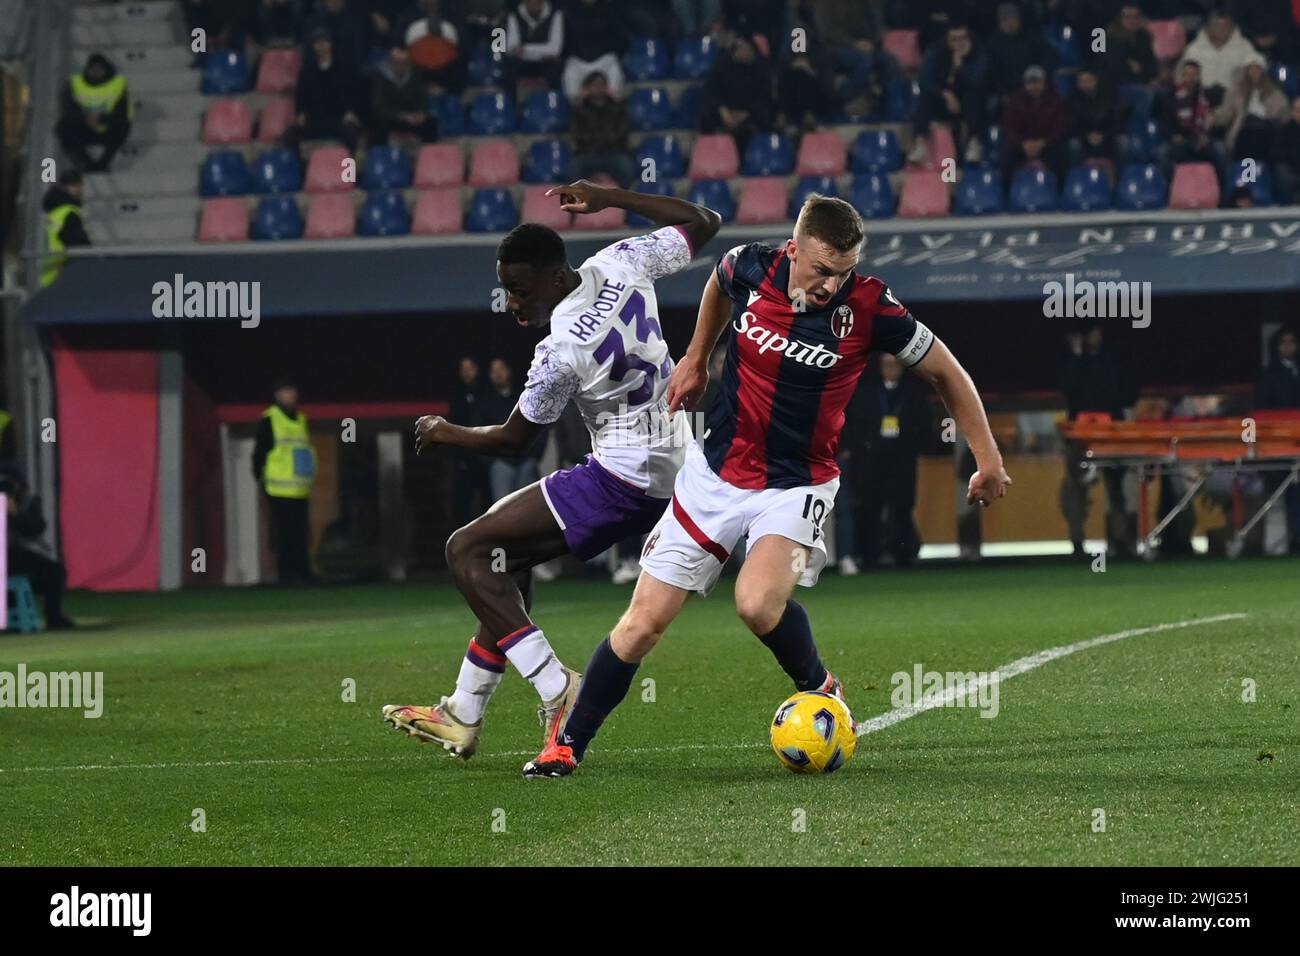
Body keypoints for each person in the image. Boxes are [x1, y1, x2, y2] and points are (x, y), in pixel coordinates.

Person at [524, 195, 1012, 777]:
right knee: (641, 624)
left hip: (796, 483)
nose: (832, 283)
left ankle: (819, 684)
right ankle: (567, 744)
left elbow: (946, 372)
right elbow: (717, 285)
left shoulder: (873, 307)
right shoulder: (751, 265)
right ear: (794, 248)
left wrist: (987, 459)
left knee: (755, 604)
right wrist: (696, 358)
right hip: (714, 474)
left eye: (844, 270)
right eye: (821, 269)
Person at [381, 181, 721, 759]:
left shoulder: (559, 346)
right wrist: (611, 196)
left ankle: (555, 687)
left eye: (518, 289)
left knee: (465, 549)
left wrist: (447, 432)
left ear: (553, 277)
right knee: (501, 560)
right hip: (674, 462)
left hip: (621, 477)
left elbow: (515, 442)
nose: (512, 302)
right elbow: (704, 221)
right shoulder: (621, 260)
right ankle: (464, 710)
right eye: (505, 291)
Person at [1059, 324, 1137, 558]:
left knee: (1116, 489)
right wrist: (1076, 356)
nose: (1091, 337)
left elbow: (1130, 393)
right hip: (1079, 436)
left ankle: (1120, 541)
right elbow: (1066, 387)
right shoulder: (1073, 360)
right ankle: (1077, 541)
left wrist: (1109, 416)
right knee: (1076, 488)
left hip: (1111, 435)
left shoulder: (1114, 360)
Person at [850, 352, 930, 569]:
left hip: (902, 460)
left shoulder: (913, 394)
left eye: (894, 365)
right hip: (872, 461)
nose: (890, 369)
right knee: (870, 508)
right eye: (886, 364)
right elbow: (855, 425)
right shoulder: (866, 393)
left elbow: (924, 426)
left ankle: (904, 556)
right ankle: (871, 557)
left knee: (902, 507)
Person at [252, 378, 319, 583]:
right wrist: (260, 479)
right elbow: (259, 454)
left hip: (299, 488)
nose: (289, 395)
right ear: (277, 395)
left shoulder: (300, 419)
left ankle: (302, 570)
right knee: (284, 533)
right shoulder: (270, 420)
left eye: (291, 390)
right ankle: (287, 573)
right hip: (278, 488)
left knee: (300, 532)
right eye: (284, 391)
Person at [2, 464, 74, 629]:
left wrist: (15, 514)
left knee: (55, 572)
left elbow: (36, 528)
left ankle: (54, 617)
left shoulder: (28, 499)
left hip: (13, 556)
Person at [911, 21, 991, 164]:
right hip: (943, 100)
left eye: (962, 38)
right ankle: (920, 142)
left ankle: (974, 142)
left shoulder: (979, 52)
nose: (958, 43)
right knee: (925, 97)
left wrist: (961, 66)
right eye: (954, 39)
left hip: (967, 101)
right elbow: (924, 78)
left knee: (976, 97)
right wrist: (945, 94)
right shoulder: (936, 51)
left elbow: (978, 81)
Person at [1255, 326, 1300, 552]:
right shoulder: (1270, 375)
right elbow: (1262, 411)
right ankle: (1275, 548)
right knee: (1275, 498)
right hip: (1276, 446)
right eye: (1284, 342)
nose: (1289, 346)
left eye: (1293, 341)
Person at [284, 28, 364, 153]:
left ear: (330, 44)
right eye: (317, 43)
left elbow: (356, 93)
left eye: (324, 42)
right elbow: (301, 96)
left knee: (351, 133)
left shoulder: (345, 68)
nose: (321, 46)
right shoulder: (306, 71)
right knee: (290, 134)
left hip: (340, 118)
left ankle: (349, 170)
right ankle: (299, 169)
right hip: (315, 119)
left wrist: (352, 112)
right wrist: (301, 113)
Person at [478, 358, 542, 502]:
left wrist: (535, 454)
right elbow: (478, 430)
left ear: (509, 371)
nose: (498, 374)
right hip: (501, 463)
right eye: (494, 371)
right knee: (501, 507)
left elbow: (539, 422)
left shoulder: (524, 396)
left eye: (501, 369)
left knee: (529, 509)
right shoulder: (485, 402)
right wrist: (491, 460)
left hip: (526, 461)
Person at [56, 53, 133, 172]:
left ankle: (103, 164)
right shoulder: (75, 83)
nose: (96, 72)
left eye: (100, 69)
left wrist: (101, 118)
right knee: (62, 127)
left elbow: (122, 112)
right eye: (93, 69)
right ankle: (87, 164)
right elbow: (68, 108)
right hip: (83, 127)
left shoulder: (118, 84)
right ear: (87, 69)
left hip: (108, 127)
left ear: (106, 70)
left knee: (123, 125)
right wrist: (85, 118)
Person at [698, 34, 774, 154]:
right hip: (725, 113)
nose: (743, 52)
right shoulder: (722, 67)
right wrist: (723, 111)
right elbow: (711, 91)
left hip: (750, 114)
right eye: (739, 48)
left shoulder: (761, 69)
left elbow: (764, 96)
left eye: (746, 49)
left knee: (764, 117)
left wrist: (746, 113)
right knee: (706, 115)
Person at [1212, 57, 1288, 162]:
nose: (1254, 72)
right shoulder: (1236, 91)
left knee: (1260, 131)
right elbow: (1226, 112)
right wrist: (1213, 117)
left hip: (1266, 128)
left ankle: (1257, 170)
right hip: (1244, 128)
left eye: (1257, 69)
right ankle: (1248, 171)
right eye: (1251, 69)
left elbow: (1283, 113)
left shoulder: (1274, 92)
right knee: (1249, 131)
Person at [1178, 11, 1261, 108]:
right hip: (1199, 103)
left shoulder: (1245, 47)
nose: (1221, 30)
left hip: (1233, 104)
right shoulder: (1194, 49)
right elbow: (1182, 78)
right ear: (1209, 26)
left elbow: (1256, 69)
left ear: (1232, 26)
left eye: (1225, 26)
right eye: (1217, 25)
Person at [1001, 64, 1067, 183]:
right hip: (1022, 145)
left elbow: (1060, 127)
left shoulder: (1056, 100)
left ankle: (1060, 193)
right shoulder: (1014, 101)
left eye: (1037, 82)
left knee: (1060, 157)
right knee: (1006, 157)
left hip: (1047, 145)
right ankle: (1006, 193)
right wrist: (1022, 143)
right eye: (1030, 82)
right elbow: (1008, 128)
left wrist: (1043, 142)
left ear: (1044, 83)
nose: (1034, 86)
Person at [568, 72, 635, 186]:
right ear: (588, 88)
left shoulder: (618, 108)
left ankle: (621, 198)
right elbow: (578, 135)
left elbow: (622, 132)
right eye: (594, 85)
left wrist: (603, 140)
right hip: (588, 153)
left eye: (601, 84)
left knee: (627, 168)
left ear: (606, 87)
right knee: (572, 169)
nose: (598, 88)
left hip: (613, 152)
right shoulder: (580, 110)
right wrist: (597, 140)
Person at [370, 44, 439, 144]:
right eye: (397, 63)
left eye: (405, 63)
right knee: (377, 123)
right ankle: (381, 155)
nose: (401, 66)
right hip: (392, 117)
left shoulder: (416, 74)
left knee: (431, 122)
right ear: (391, 63)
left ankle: (427, 155)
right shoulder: (380, 77)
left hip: (412, 117)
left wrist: (421, 113)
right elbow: (378, 106)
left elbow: (423, 98)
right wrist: (402, 116)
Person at [449, 357, 488, 529]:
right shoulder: (455, 395)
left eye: (470, 367)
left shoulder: (487, 392)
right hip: (464, 458)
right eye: (463, 368)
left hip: (486, 456)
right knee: (460, 504)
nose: (466, 372)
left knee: (490, 502)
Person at [561, 0, 625, 101]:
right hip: (577, 60)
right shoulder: (566, 11)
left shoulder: (610, 9)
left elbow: (620, 38)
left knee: (615, 69)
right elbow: (563, 42)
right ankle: (578, 113)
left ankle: (612, 111)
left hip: (605, 59)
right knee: (569, 75)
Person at [40, 171, 90, 289]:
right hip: (64, 273)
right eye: (78, 186)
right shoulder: (68, 214)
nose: (80, 190)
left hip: (49, 273)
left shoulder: (52, 213)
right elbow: (79, 245)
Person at [505, 0, 565, 90]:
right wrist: (542, 51)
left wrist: (525, 49)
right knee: (509, 66)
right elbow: (511, 46)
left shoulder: (556, 14)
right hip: (522, 62)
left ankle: (553, 101)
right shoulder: (514, 14)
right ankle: (511, 102)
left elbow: (555, 49)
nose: (534, 2)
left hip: (545, 62)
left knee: (554, 67)